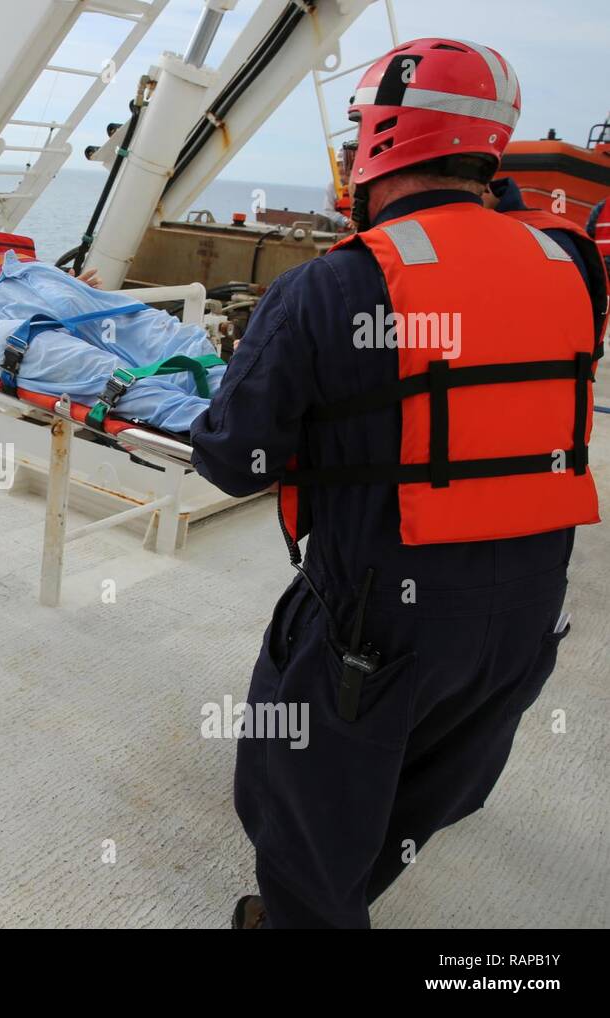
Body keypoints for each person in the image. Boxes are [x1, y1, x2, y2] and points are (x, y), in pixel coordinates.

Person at [188, 38, 605, 929]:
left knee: (299, 810)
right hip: (530, 612)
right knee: (424, 786)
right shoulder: (574, 266)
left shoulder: (327, 288)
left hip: (379, 617)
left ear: (385, 139)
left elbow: (230, 457)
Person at [0, 253, 223, 434]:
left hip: (39, 279)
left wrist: (67, 282)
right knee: (102, 374)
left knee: (166, 335)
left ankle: (246, 396)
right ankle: (224, 426)